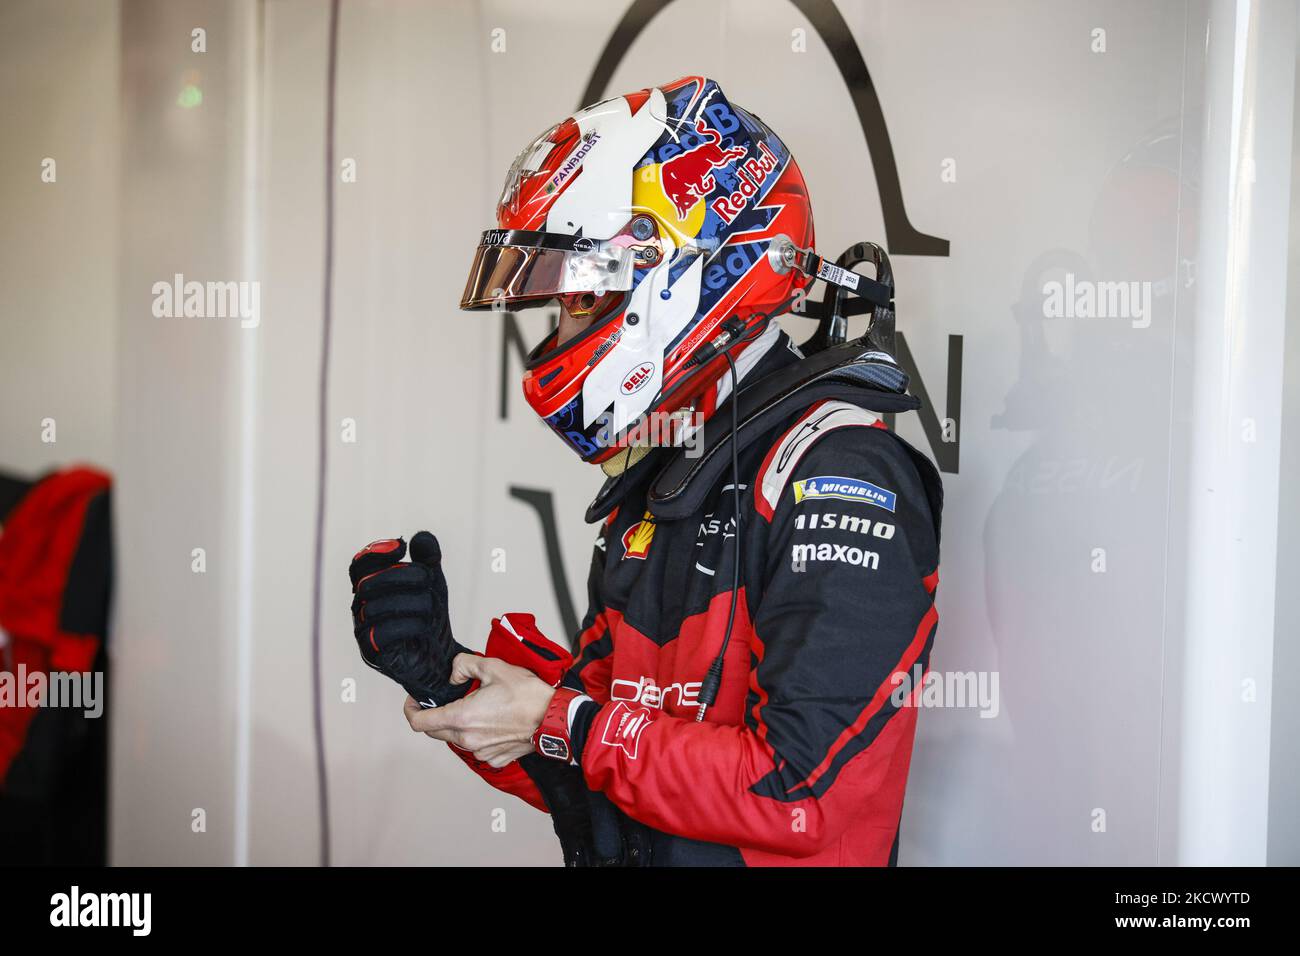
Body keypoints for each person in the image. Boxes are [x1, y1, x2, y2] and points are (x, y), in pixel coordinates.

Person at [348, 76, 943, 866]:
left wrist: (557, 721)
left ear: (682, 269)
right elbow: (600, 767)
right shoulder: (670, 475)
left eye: (581, 302)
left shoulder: (839, 471)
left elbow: (802, 797)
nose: (559, 334)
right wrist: (447, 680)